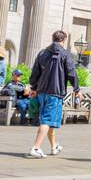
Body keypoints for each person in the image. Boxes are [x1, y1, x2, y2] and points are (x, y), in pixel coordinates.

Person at [27, 30, 78, 158]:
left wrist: (34, 87)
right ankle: (36, 148)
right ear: (64, 40)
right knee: (47, 120)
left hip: (41, 91)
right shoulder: (65, 54)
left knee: (48, 120)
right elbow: (71, 73)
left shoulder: (42, 53)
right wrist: (76, 89)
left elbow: (35, 72)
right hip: (55, 92)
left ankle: (54, 146)